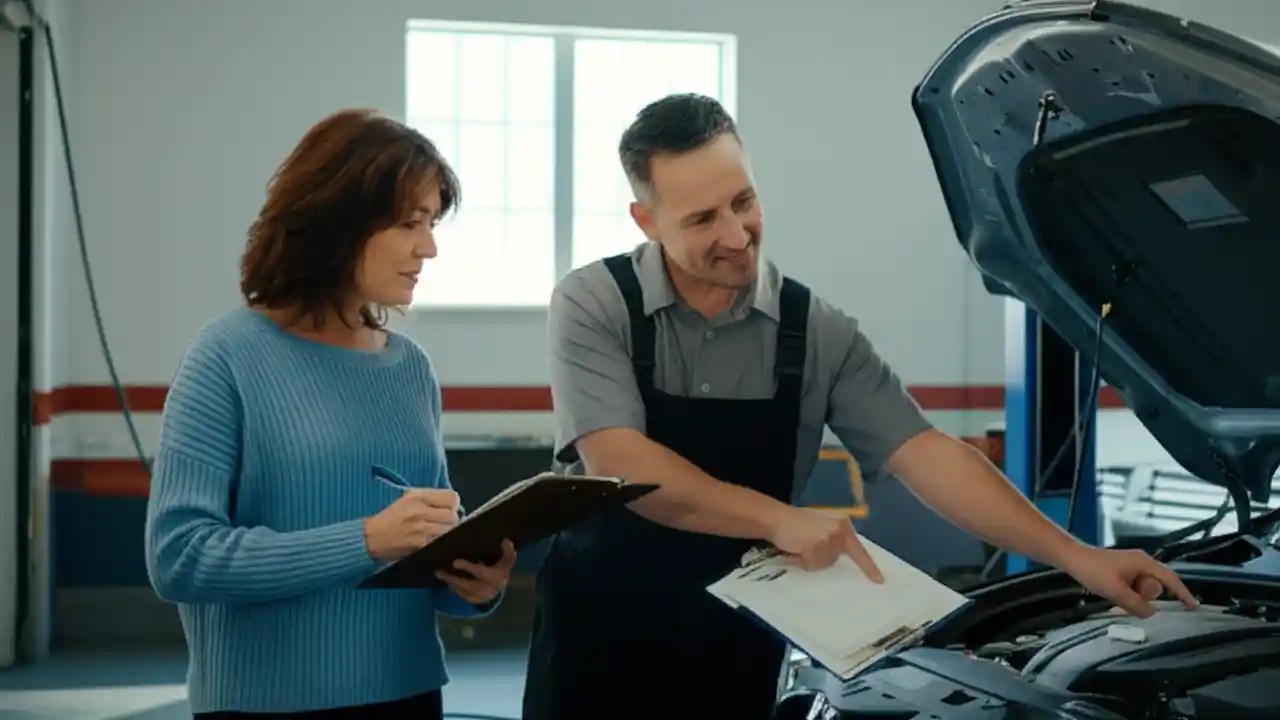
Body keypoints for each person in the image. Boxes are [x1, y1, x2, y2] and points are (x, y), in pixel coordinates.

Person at [521, 93, 1198, 719]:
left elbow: (926, 454)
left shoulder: (815, 330)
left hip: (733, 648)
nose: (736, 234)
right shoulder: (594, 304)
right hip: (597, 643)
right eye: (702, 218)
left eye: (744, 201)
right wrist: (781, 519)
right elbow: (622, 462)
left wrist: (1075, 555)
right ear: (647, 220)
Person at [143, 108, 516, 719]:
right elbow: (180, 557)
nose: (429, 246)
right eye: (408, 223)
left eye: (431, 223)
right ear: (338, 223)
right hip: (263, 706)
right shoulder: (226, 356)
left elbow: (420, 541)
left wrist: (471, 586)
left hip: (409, 692)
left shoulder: (411, 368)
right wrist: (366, 540)